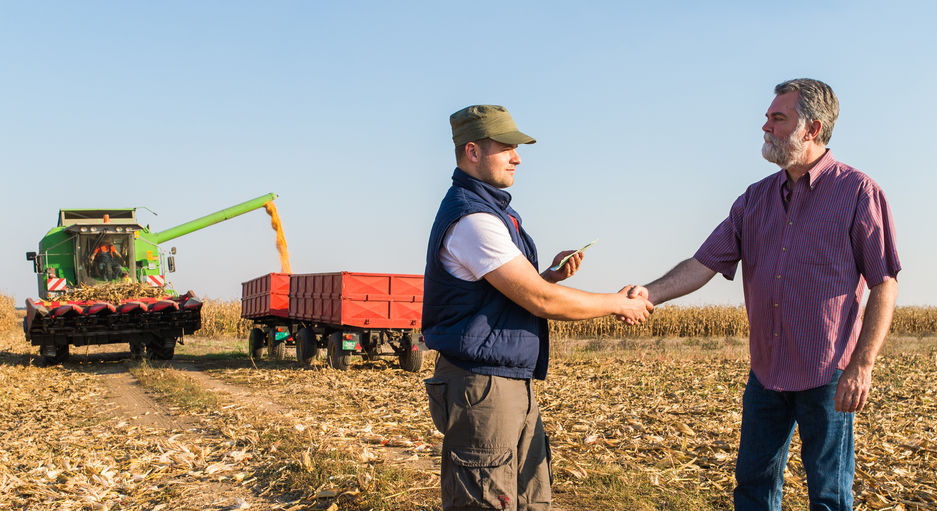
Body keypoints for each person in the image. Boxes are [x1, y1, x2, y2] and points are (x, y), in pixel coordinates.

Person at [627, 79, 900, 510]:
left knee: (829, 495)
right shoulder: (753, 200)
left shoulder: (858, 193)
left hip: (828, 373)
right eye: (768, 117)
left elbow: (884, 282)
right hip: (767, 374)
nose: (765, 126)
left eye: (778, 118)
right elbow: (704, 263)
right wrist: (649, 294)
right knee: (753, 488)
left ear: (811, 127)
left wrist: (862, 365)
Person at [422, 104, 653, 510]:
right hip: (482, 386)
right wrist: (617, 303)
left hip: (506, 381)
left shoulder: (494, 212)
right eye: (506, 147)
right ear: (472, 151)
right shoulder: (474, 219)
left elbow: (513, 296)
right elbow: (540, 301)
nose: (517, 156)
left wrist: (549, 275)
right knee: (489, 499)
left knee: (529, 497)